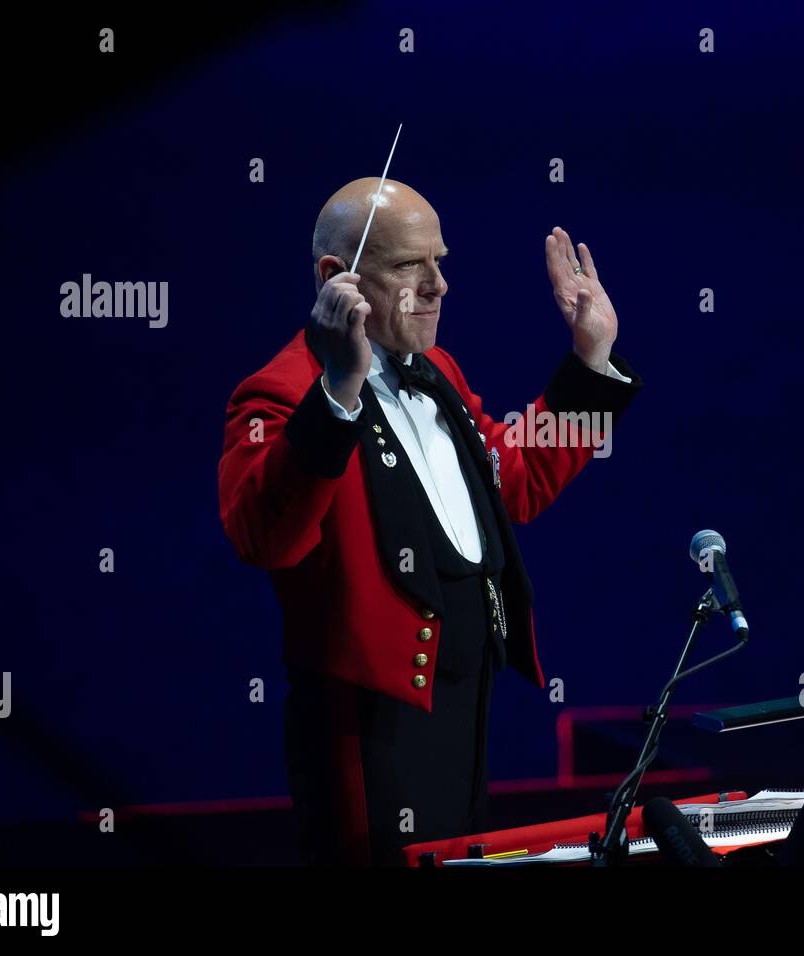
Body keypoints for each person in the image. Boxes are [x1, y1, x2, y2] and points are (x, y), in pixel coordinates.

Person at [217, 177, 642, 865]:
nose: (440, 285)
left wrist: (590, 359)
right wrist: (337, 393)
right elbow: (262, 535)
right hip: (369, 725)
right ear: (337, 277)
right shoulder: (283, 391)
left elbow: (516, 480)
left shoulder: (435, 366)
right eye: (411, 265)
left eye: (441, 261)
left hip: (467, 707)